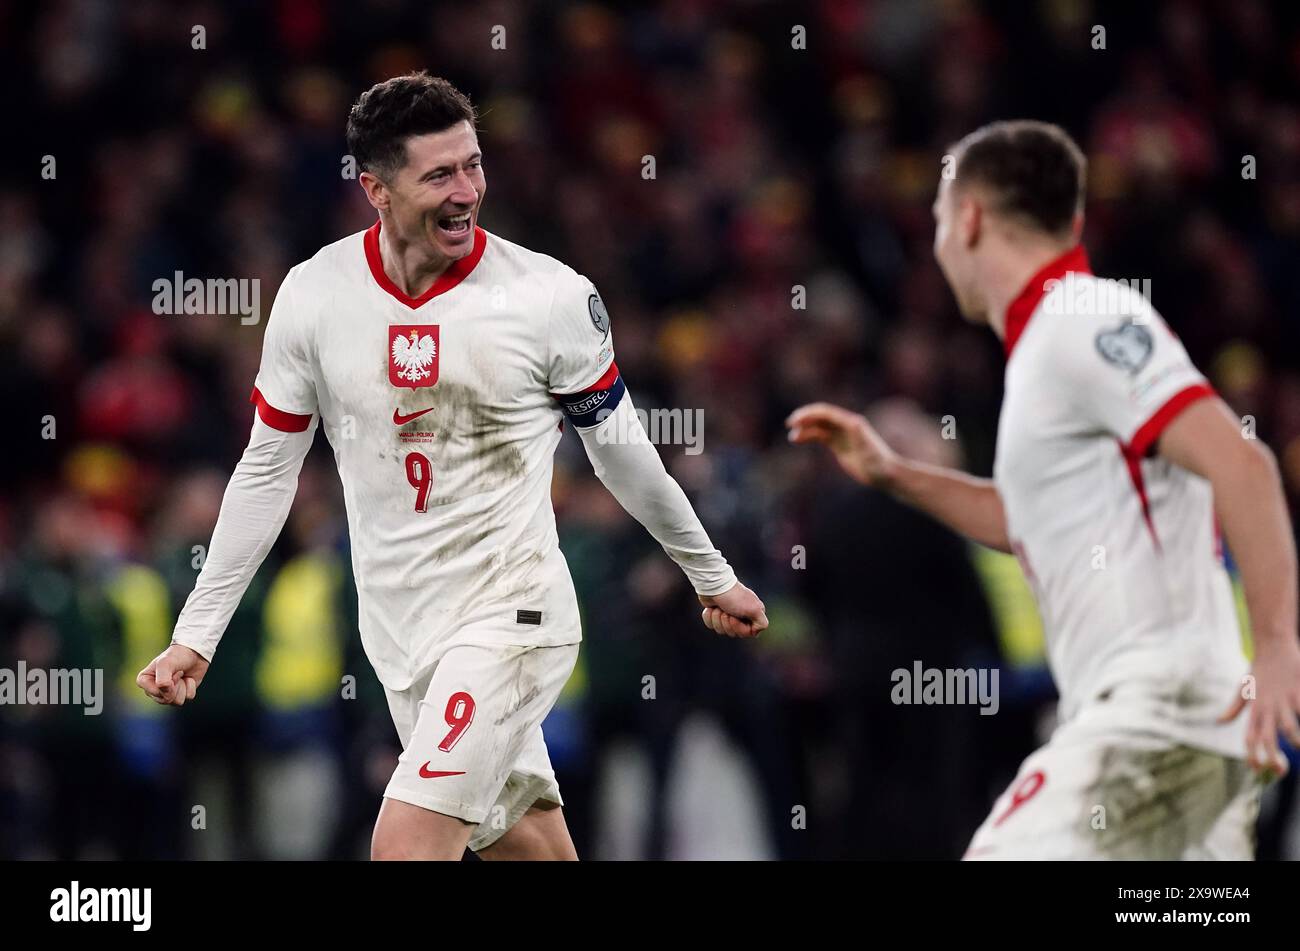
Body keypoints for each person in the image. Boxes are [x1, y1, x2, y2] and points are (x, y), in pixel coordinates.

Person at [136, 71, 767, 861]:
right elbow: (267, 471)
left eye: (473, 164)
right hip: (401, 640)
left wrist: (710, 574)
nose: (467, 190)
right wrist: (197, 632)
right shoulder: (314, 296)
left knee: (404, 846)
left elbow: (624, 458)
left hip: (513, 618)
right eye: (440, 174)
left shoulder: (548, 298)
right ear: (377, 188)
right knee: (531, 848)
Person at [788, 120, 1300, 859]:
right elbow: (1028, 519)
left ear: (968, 218)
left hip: (1157, 708)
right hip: (1183, 722)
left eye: (937, 216)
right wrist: (897, 475)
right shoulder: (1047, 350)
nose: (936, 241)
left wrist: (1280, 646)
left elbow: (1242, 463)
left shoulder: (1081, 319)